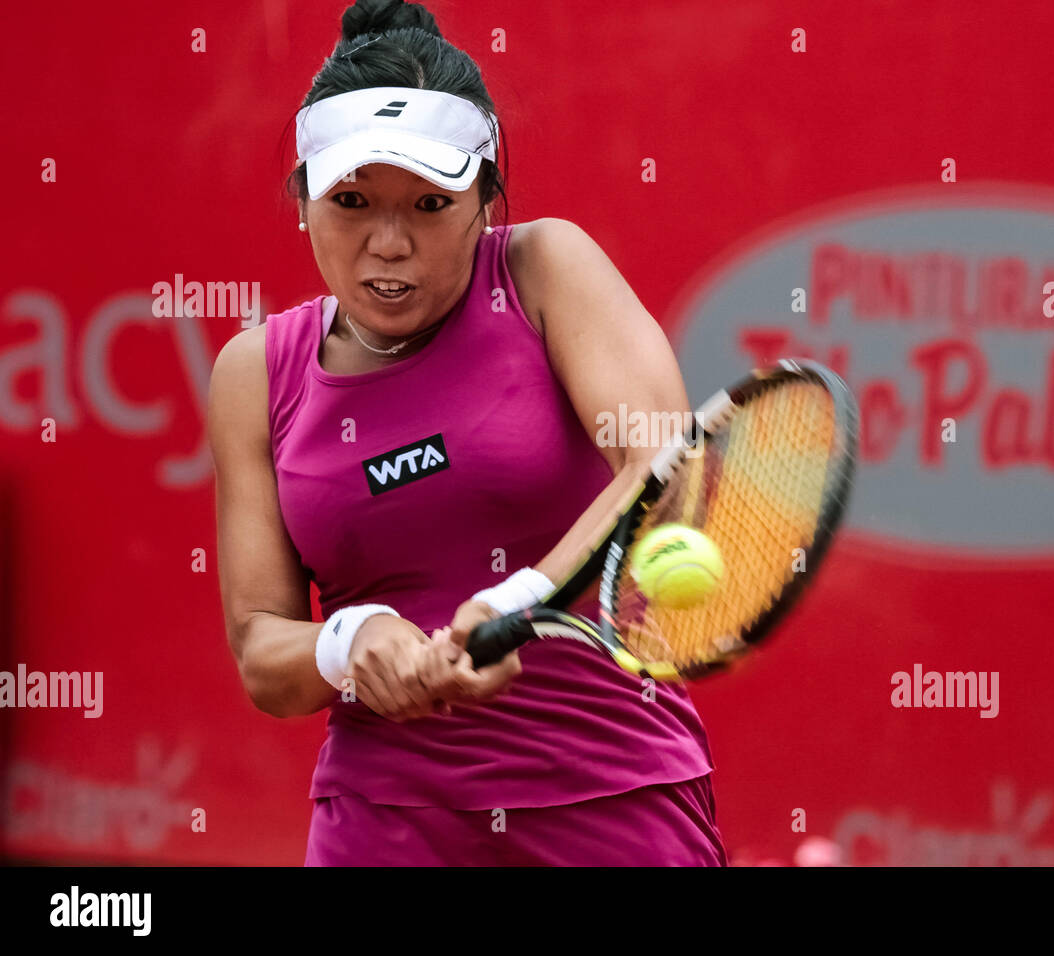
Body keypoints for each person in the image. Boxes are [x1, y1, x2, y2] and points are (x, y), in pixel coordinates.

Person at [206, 0, 725, 865]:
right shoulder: (253, 373)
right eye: (351, 200)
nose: (388, 241)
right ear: (303, 198)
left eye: (430, 203)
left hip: (612, 791)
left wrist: (518, 603)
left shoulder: (546, 269)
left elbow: (664, 464)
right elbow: (263, 651)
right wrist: (352, 639)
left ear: (486, 197)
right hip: (382, 820)